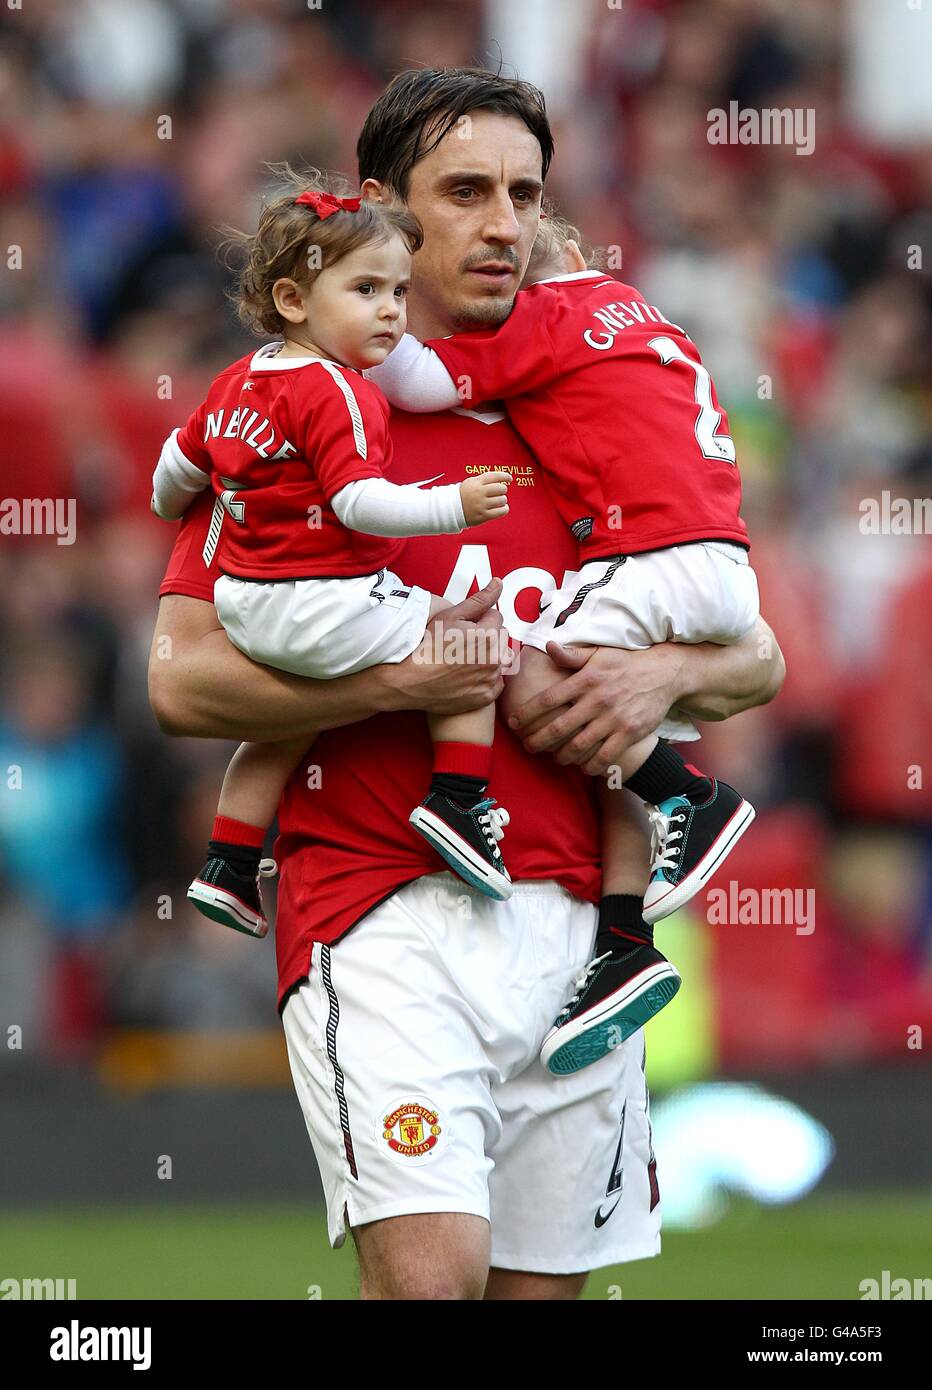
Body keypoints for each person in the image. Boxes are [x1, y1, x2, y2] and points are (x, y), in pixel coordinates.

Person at [148, 66, 785, 1301]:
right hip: (381, 901)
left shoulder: (578, 394)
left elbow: (753, 655)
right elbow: (181, 682)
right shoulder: (299, 403)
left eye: (523, 194)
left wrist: (660, 674)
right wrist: (403, 677)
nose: (503, 224)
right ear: (384, 205)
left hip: (578, 935)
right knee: (429, 1287)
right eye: (465, 192)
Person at [366, 208, 761, 1074]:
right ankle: (626, 940)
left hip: (649, 553)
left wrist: (355, 328)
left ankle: (693, 800)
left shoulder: (550, 313)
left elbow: (422, 381)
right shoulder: (647, 319)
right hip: (720, 562)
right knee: (610, 728)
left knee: (531, 669)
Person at [150, 174, 516, 938]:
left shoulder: (235, 380)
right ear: (293, 299)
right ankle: (458, 804)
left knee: (283, 730)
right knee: (469, 646)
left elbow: (177, 466)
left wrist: (165, 502)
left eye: (399, 292)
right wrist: (454, 505)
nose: (390, 310)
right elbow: (357, 502)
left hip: (247, 605)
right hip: (321, 597)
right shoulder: (341, 390)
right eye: (366, 289)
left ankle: (229, 862)